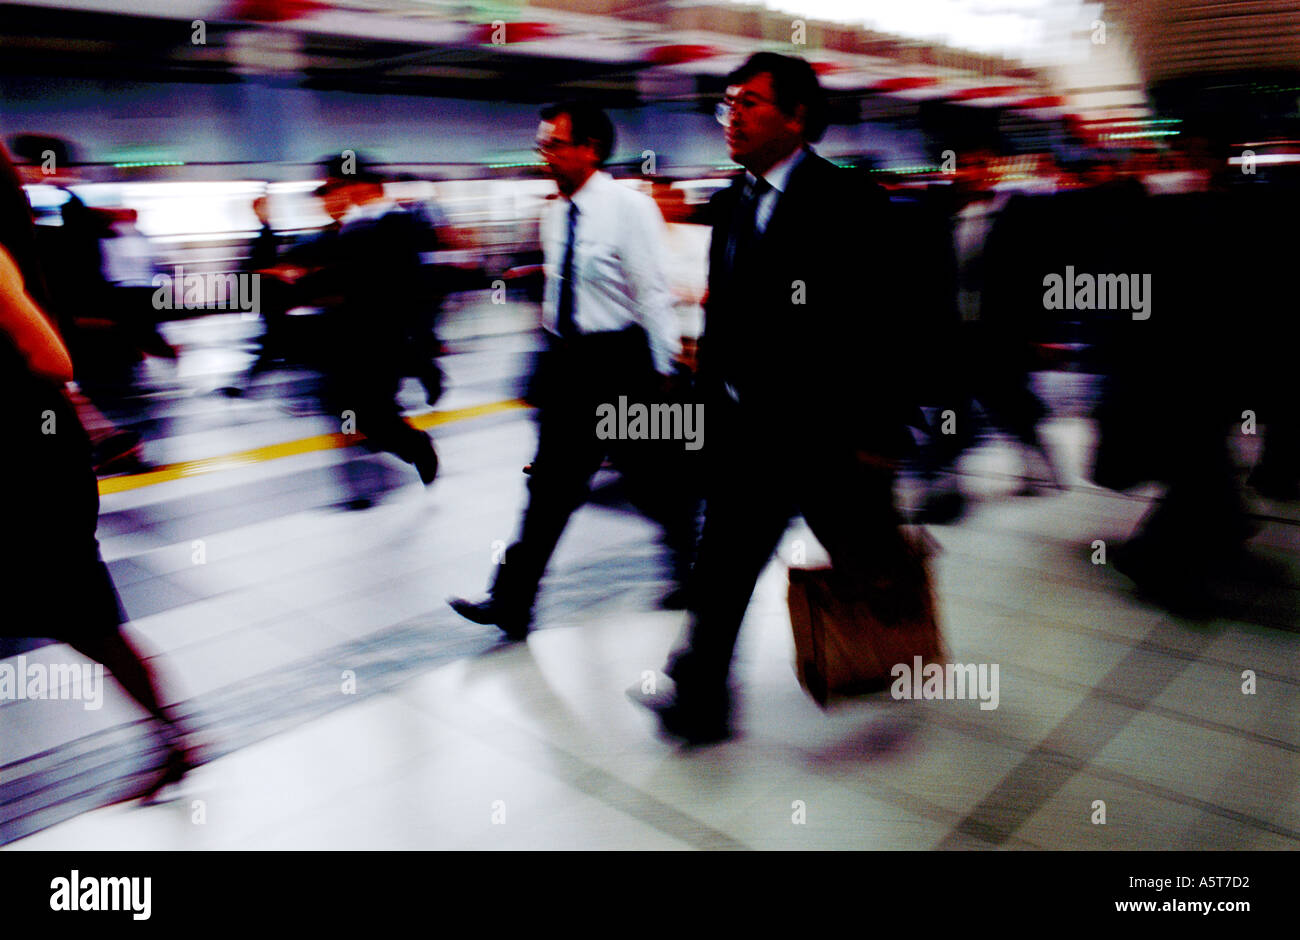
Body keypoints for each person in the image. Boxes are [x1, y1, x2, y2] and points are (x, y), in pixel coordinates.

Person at [632, 52, 919, 744]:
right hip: (747, 434)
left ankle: (901, 649)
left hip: (829, 435)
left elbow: (892, 323)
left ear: (797, 116)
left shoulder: (852, 200)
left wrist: (880, 435)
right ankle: (700, 694)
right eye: (726, 103)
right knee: (722, 566)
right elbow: (724, 314)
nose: (732, 117)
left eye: (750, 103)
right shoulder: (731, 203)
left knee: (868, 558)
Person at [448, 100, 696, 640]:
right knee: (550, 491)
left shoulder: (629, 209)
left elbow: (651, 293)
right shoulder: (555, 213)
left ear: (590, 149)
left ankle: (688, 568)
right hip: (571, 367)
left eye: (554, 145)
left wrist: (667, 369)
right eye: (542, 145)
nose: (545, 155)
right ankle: (512, 601)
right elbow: (560, 290)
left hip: (623, 365)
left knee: (654, 481)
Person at [0, 142, 194, 799]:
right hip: (36, 447)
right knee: (77, 613)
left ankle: (174, 736)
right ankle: (173, 735)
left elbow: (49, 357)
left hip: (26, 459)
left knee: (81, 614)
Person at [316, 154, 439, 493]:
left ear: (360, 186)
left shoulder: (393, 224)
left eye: (336, 186)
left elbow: (411, 286)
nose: (332, 196)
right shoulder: (355, 224)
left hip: (382, 336)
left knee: (371, 411)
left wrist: (419, 343)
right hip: (356, 338)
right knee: (359, 408)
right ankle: (404, 440)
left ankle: (416, 445)